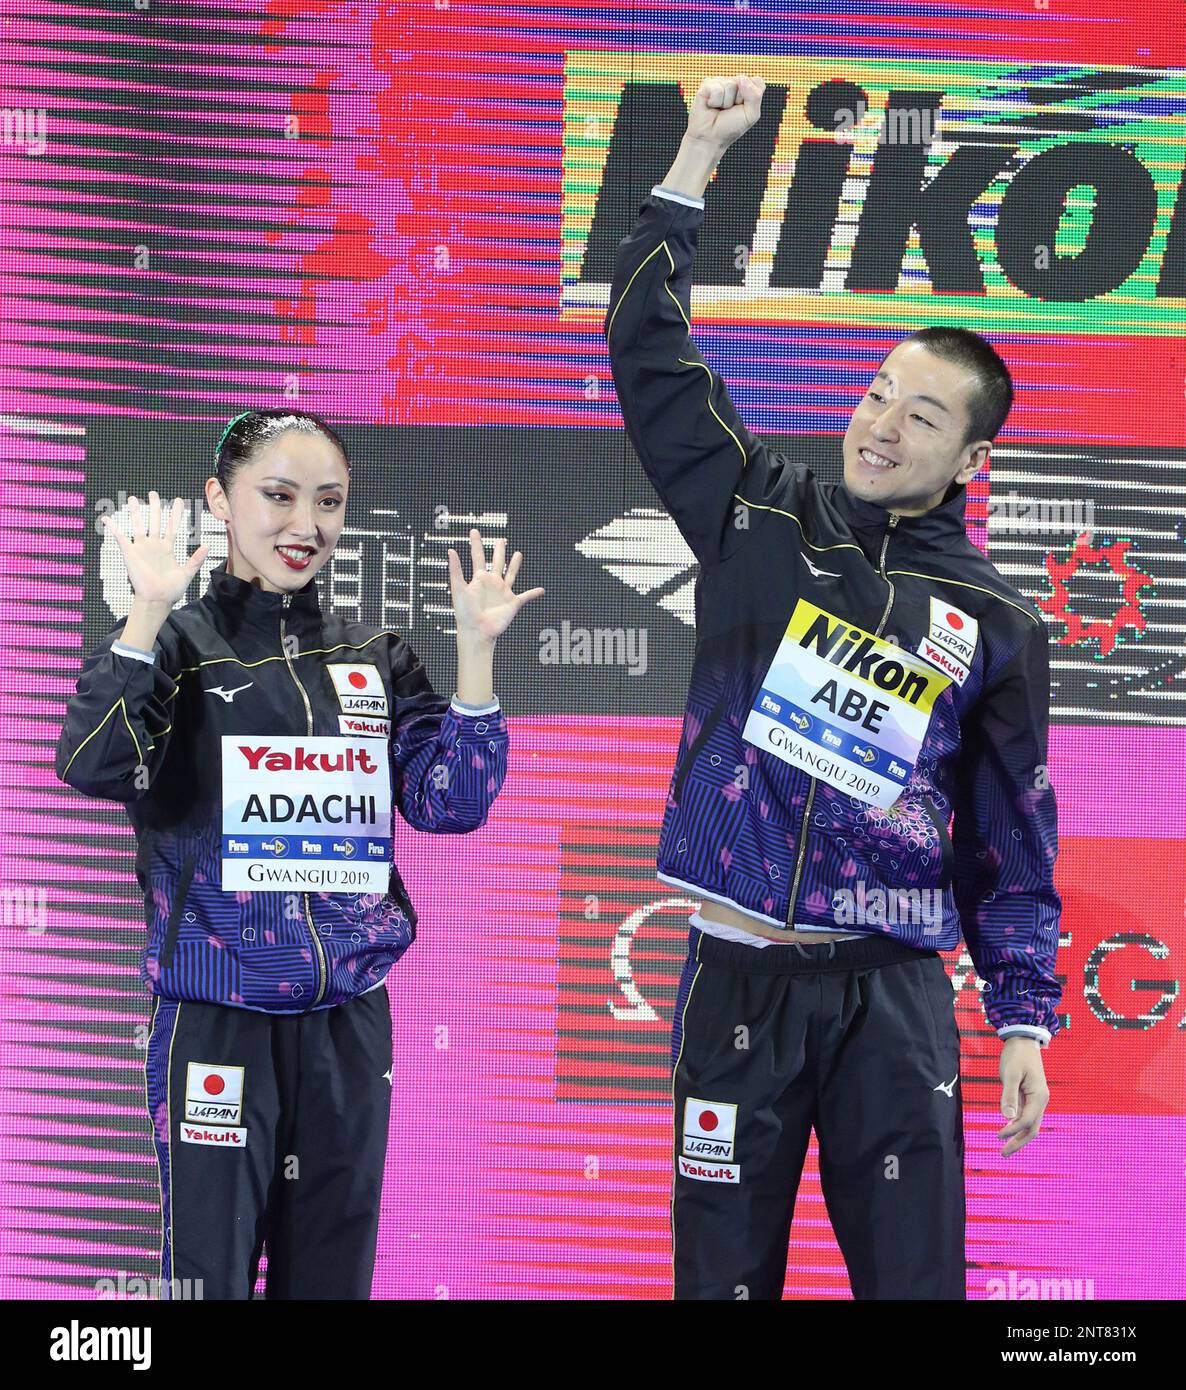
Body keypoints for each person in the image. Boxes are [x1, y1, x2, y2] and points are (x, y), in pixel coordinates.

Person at [604, 76, 1061, 1300]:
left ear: (972, 456)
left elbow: (1012, 843)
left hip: (892, 992)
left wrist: (1021, 1016)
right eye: (873, 396)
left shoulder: (999, 624)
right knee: (722, 1284)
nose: (879, 427)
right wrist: (696, 155)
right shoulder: (759, 511)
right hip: (735, 971)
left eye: (919, 417)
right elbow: (649, 357)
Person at [55, 409, 543, 1299]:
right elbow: (95, 765)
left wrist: (477, 657)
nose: (304, 525)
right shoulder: (177, 646)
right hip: (216, 1016)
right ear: (221, 500)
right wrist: (147, 613)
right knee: (210, 1277)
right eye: (277, 497)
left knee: (331, 1279)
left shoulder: (374, 655)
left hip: (348, 1024)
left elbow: (451, 803)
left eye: (328, 502)